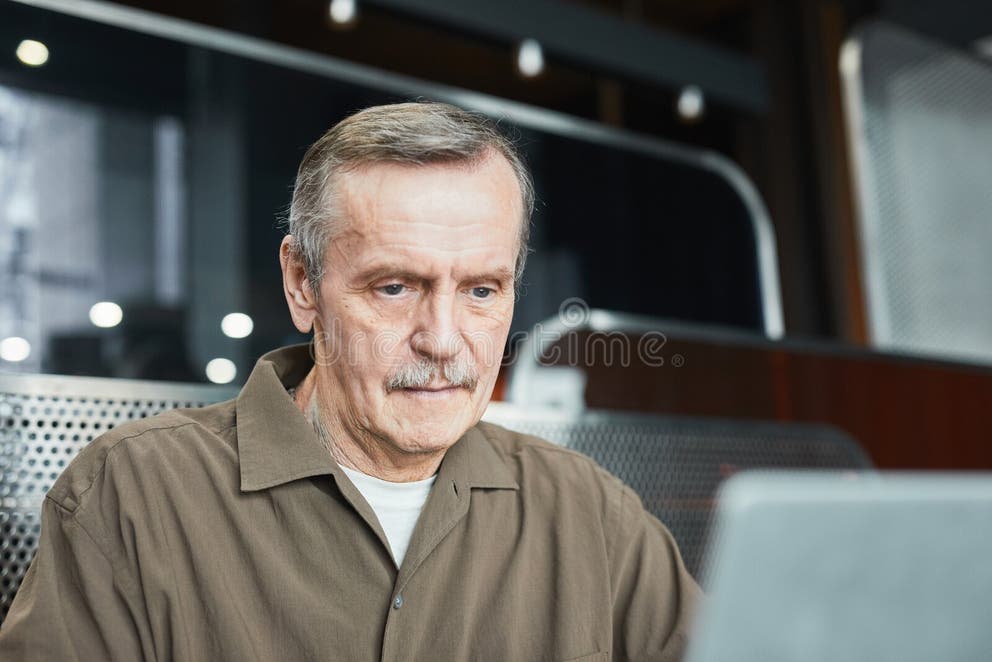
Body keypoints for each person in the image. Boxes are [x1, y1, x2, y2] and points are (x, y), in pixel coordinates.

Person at [0, 102, 700, 661]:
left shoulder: (592, 514)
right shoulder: (132, 497)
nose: (444, 338)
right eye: (396, 287)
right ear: (303, 284)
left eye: (483, 291)